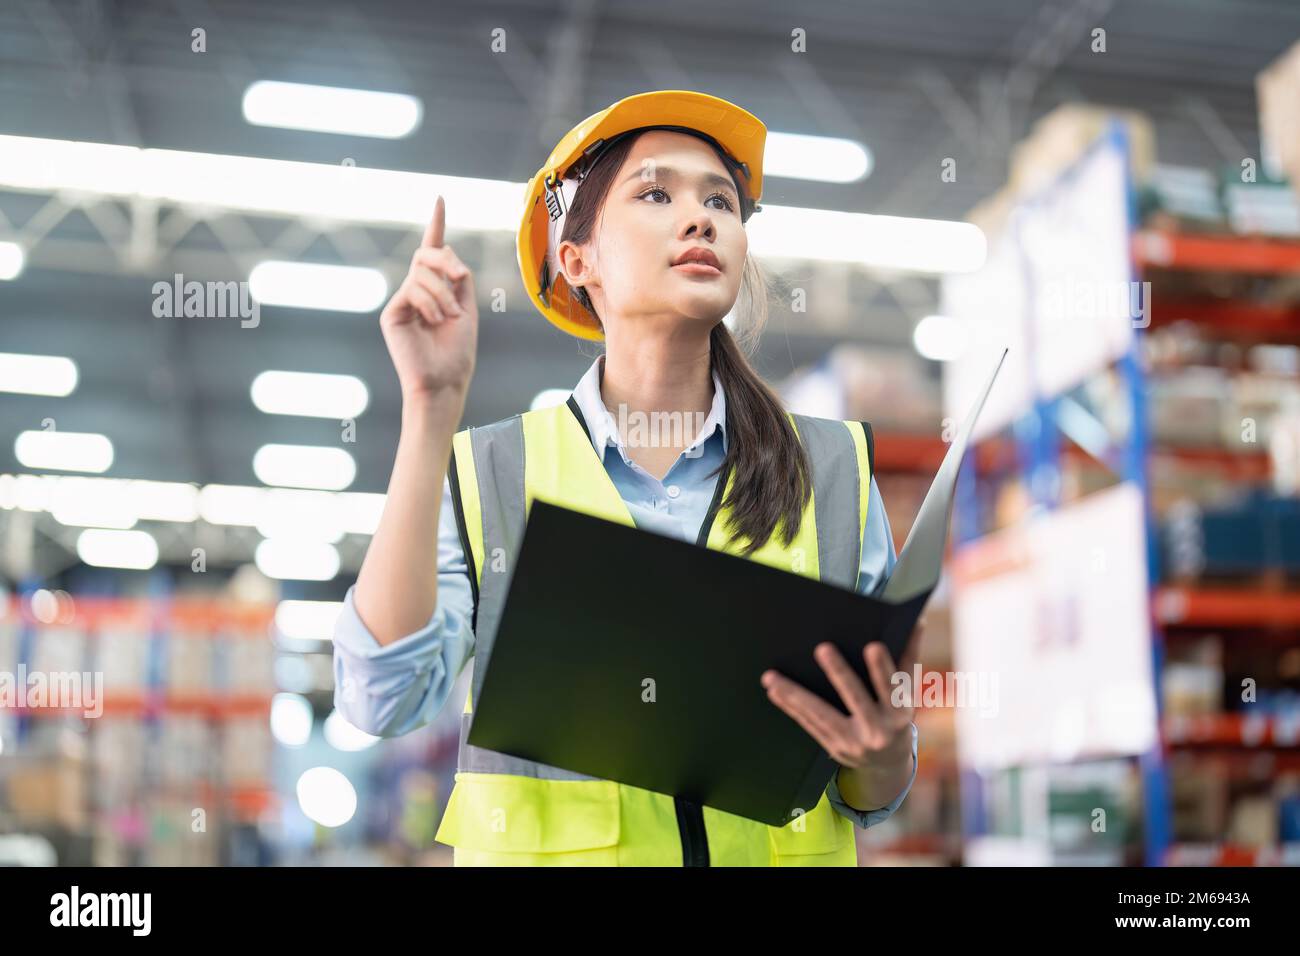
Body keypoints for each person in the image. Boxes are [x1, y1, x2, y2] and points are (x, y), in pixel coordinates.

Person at [333, 90, 924, 866]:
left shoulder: (834, 471)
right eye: (655, 192)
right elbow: (382, 697)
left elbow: (867, 792)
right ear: (578, 262)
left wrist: (884, 753)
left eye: (721, 200)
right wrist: (429, 409)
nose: (701, 216)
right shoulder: (491, 477)